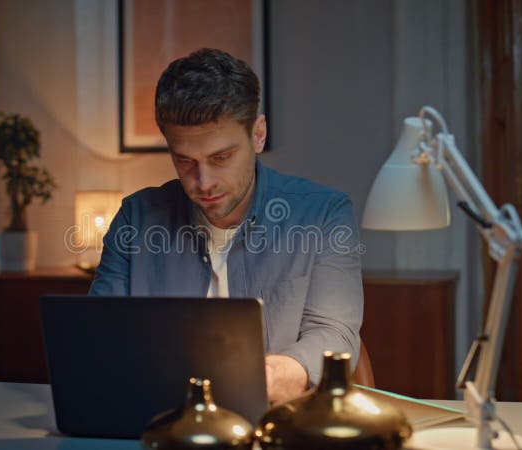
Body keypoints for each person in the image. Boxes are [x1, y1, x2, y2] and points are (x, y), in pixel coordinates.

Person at [89, 48, 363, 405]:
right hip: (160, 423)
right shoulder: (135, 218)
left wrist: (279, 374)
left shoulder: (325, 214)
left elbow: (334, 334)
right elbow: (99, 335)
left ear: (258, 134)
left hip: (276, 426)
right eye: (185, 160)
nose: (203, 182)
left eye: (221, 158)